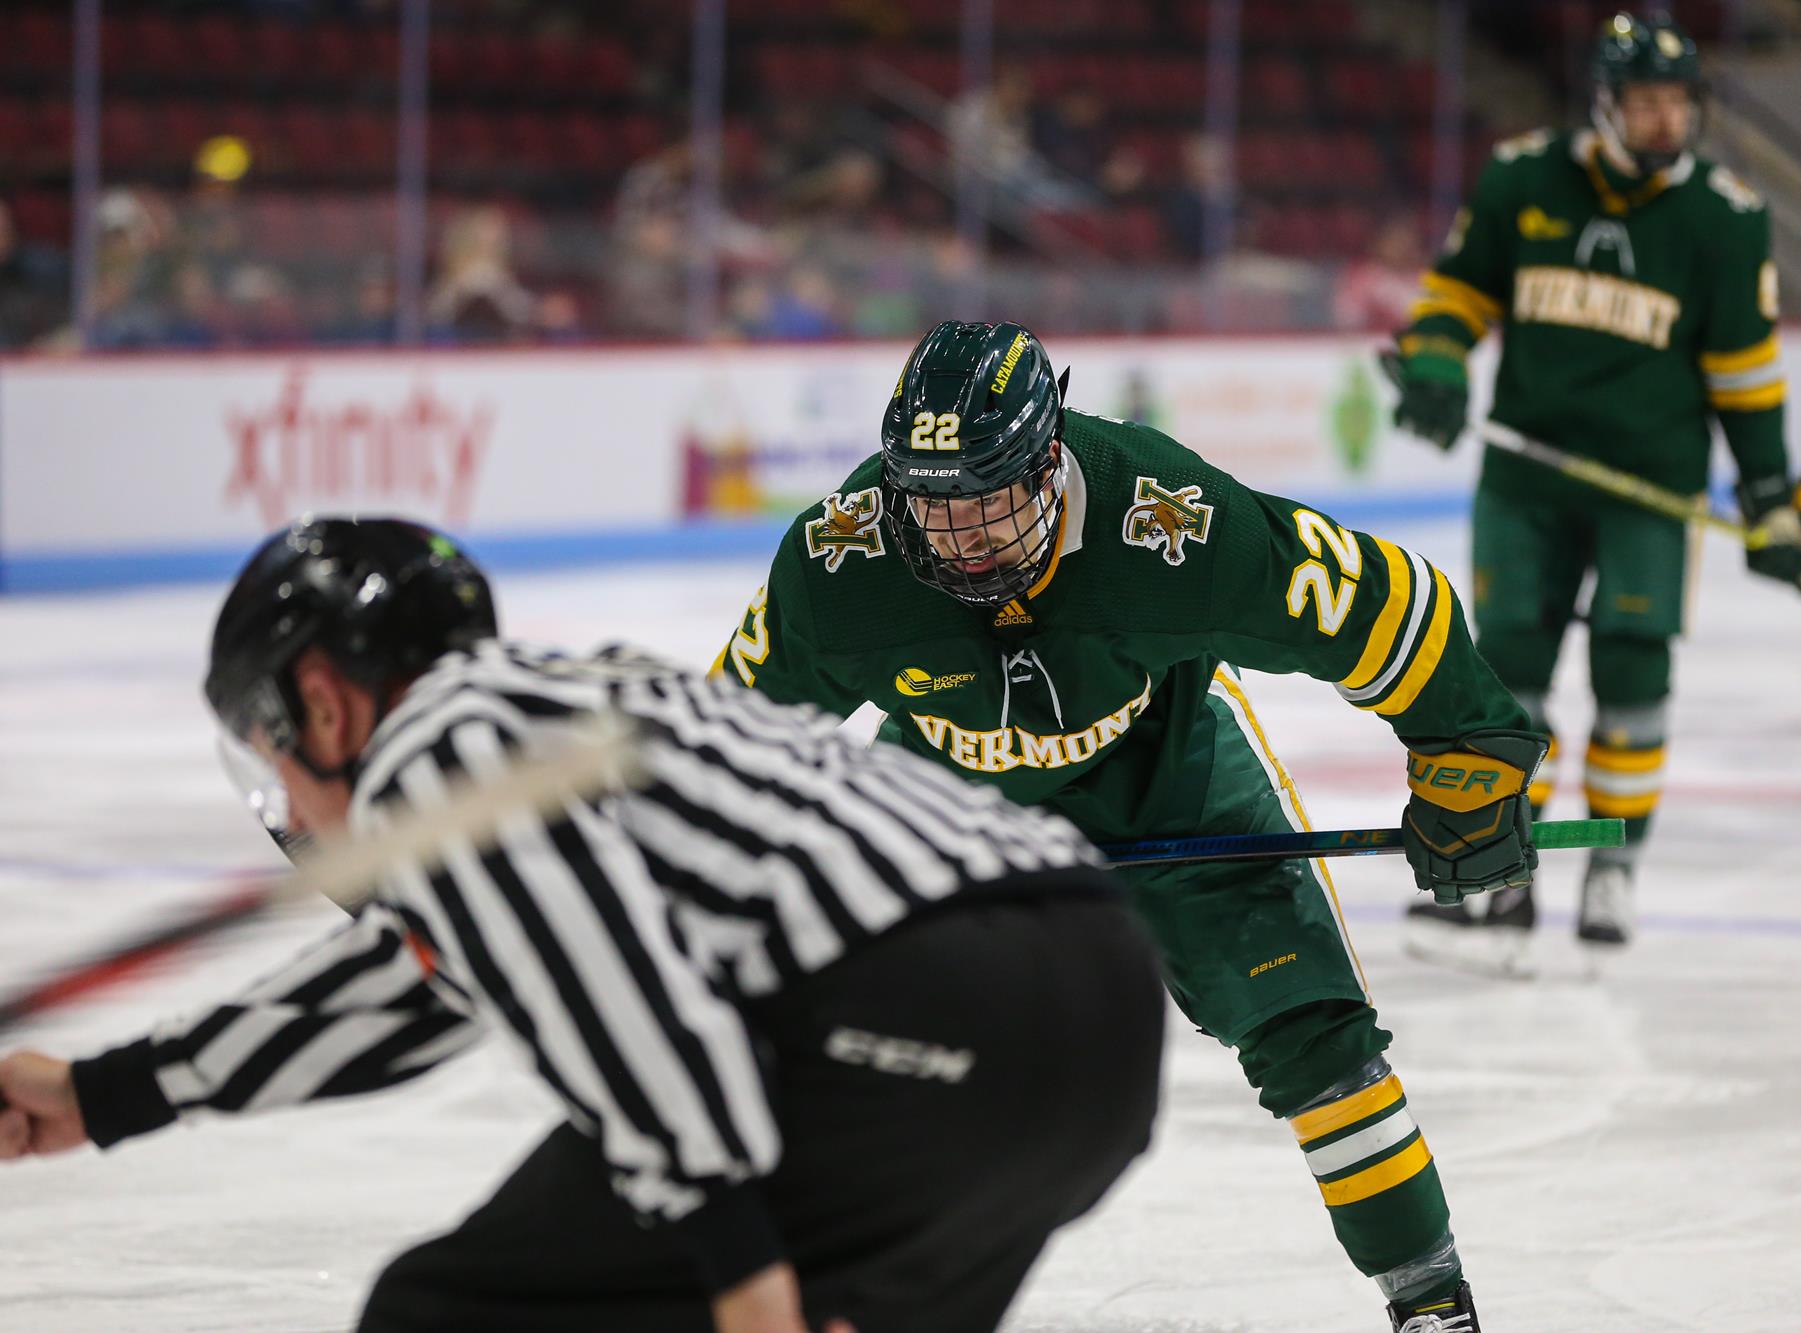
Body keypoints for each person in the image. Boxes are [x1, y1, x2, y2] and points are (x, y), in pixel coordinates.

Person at [0, 518, 1164, 1333]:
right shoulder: (566, 707)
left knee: (445, 1315)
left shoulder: (439, 738)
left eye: (270, 754)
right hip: (1093, 1024)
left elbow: (624, 1002)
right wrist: (101, 1096)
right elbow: (415, 982)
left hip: (916, 1006)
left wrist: (738, 1262)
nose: (292, 807)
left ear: (322, 698)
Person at [714, 319, 1547, 1333]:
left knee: (1315, 1043)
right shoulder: (840, 563)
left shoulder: (1168, 524)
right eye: (930, 506)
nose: (959, 535)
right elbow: (722, 745)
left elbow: (1387, 605)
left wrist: (1465, 755)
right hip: (944, 818)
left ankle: (1429, 1302)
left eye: (983, 500)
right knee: (876, 1055)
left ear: (1048, 457)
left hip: (1169, 780)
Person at [1385, 10, 1801, 958]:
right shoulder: (1524, 179)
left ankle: (1612, 866)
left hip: (1647, 491)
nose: (1666, 121)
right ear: (1604, 103)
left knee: (1633, 675)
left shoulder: (1725, 218)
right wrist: (1436, 364)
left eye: (1679, 103)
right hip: (1527, 483)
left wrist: (1773, 498)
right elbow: (1458, 290)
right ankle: (1508, 866)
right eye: (1646, 102)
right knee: (1509, 676)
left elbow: (1746, 377)